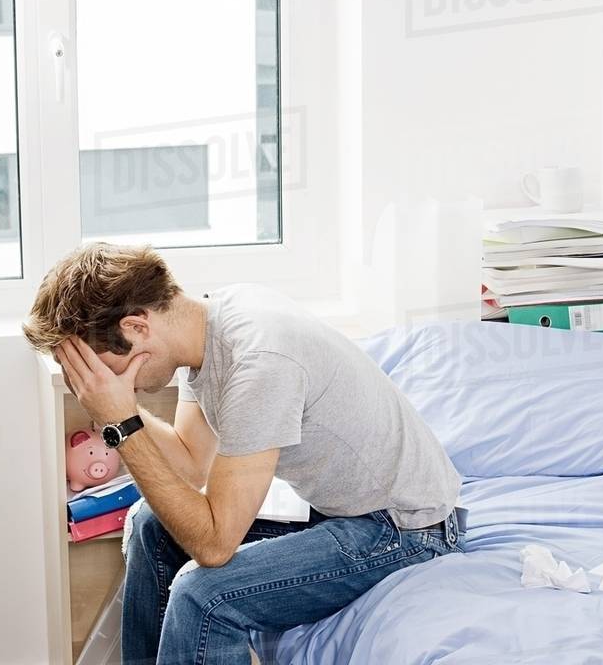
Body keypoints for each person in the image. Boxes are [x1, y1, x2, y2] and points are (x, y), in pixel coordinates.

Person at [23, 243, 464, 665]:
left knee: (203, 595)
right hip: (343, 514)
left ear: (137, 327)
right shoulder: (209, 329)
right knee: (149, 524)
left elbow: (214, 545)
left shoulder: (259, 361)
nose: (101, 381)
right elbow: (188, 460)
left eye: (101, 367)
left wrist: (122, 425)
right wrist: (119, 410)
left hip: (406, 530)